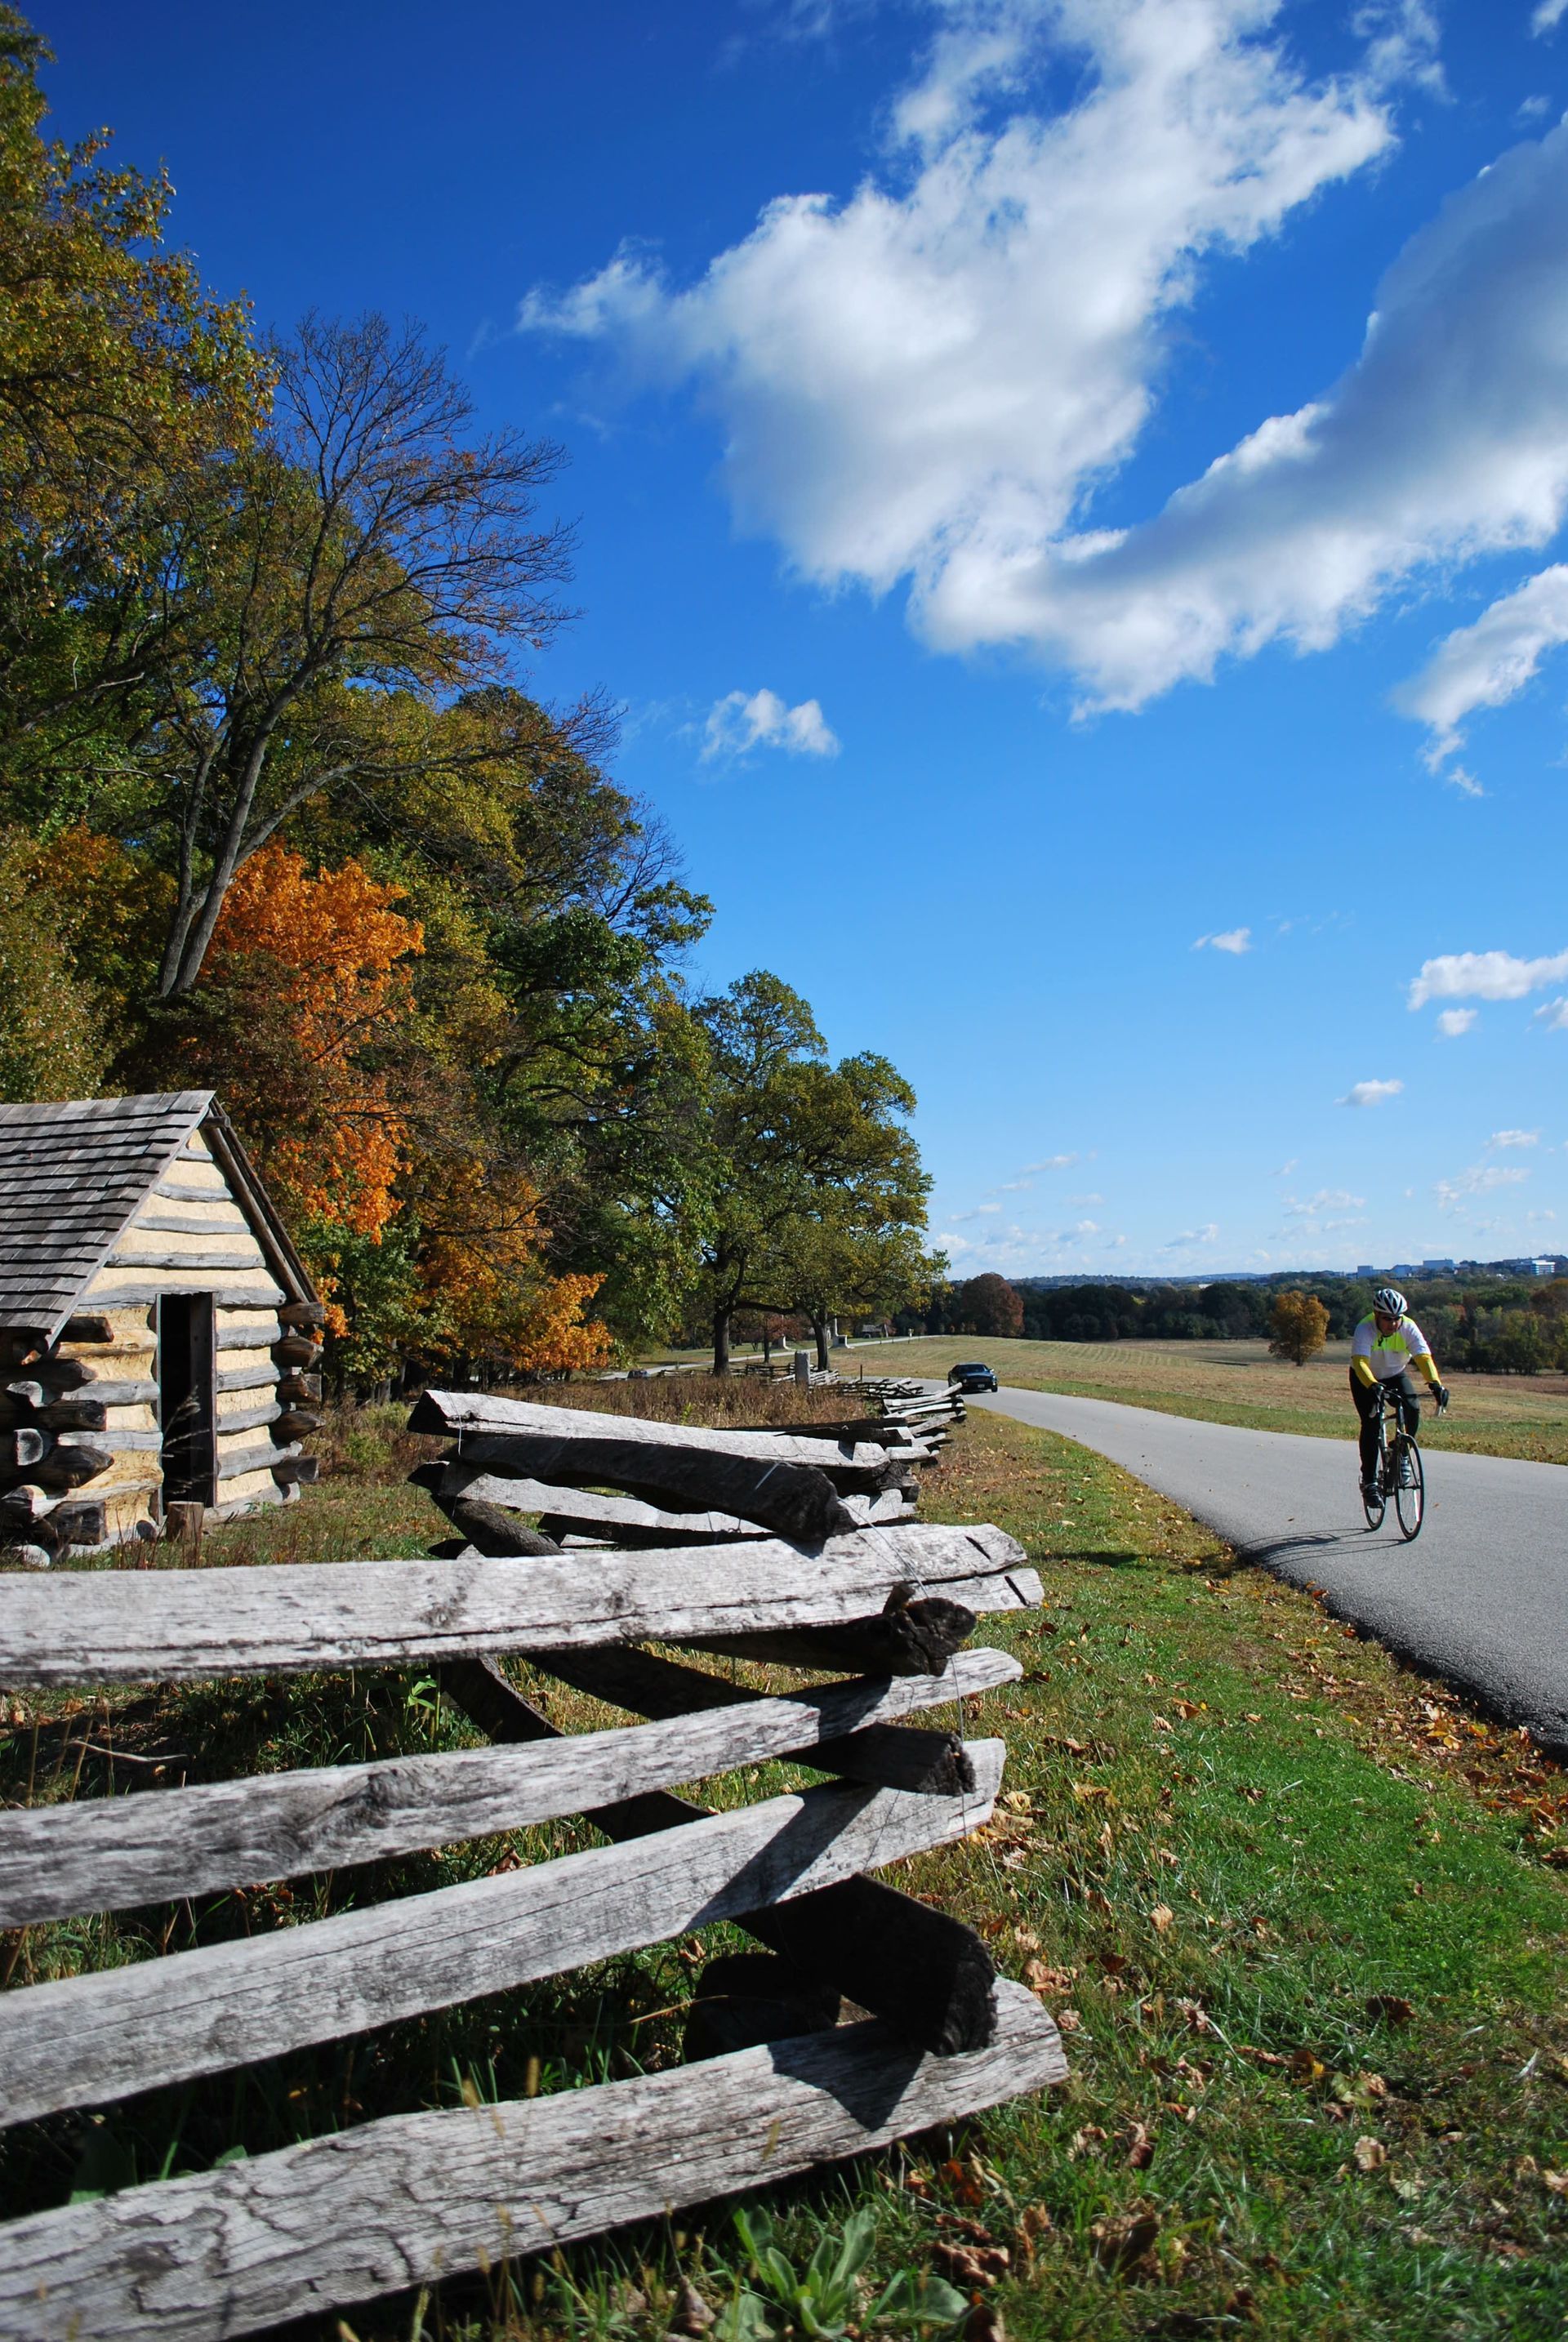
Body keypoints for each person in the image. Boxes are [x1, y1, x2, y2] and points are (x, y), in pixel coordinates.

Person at [1350, 1285, 1448, 1497]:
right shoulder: (1364, 1328)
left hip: (1395, 1374)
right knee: (1372, 1423)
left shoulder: (1408, 1328)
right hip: (1365, 1378)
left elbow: (1423, 1357)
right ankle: (1369, 1483)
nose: (1392, 1324)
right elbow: (1359, 1362)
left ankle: (1400, 1452)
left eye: (1396, 1318)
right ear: (1376, 1315)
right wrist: (1372, 1384)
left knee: (1412, 1407)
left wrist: (1435, 1383)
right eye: (1387, 1318)